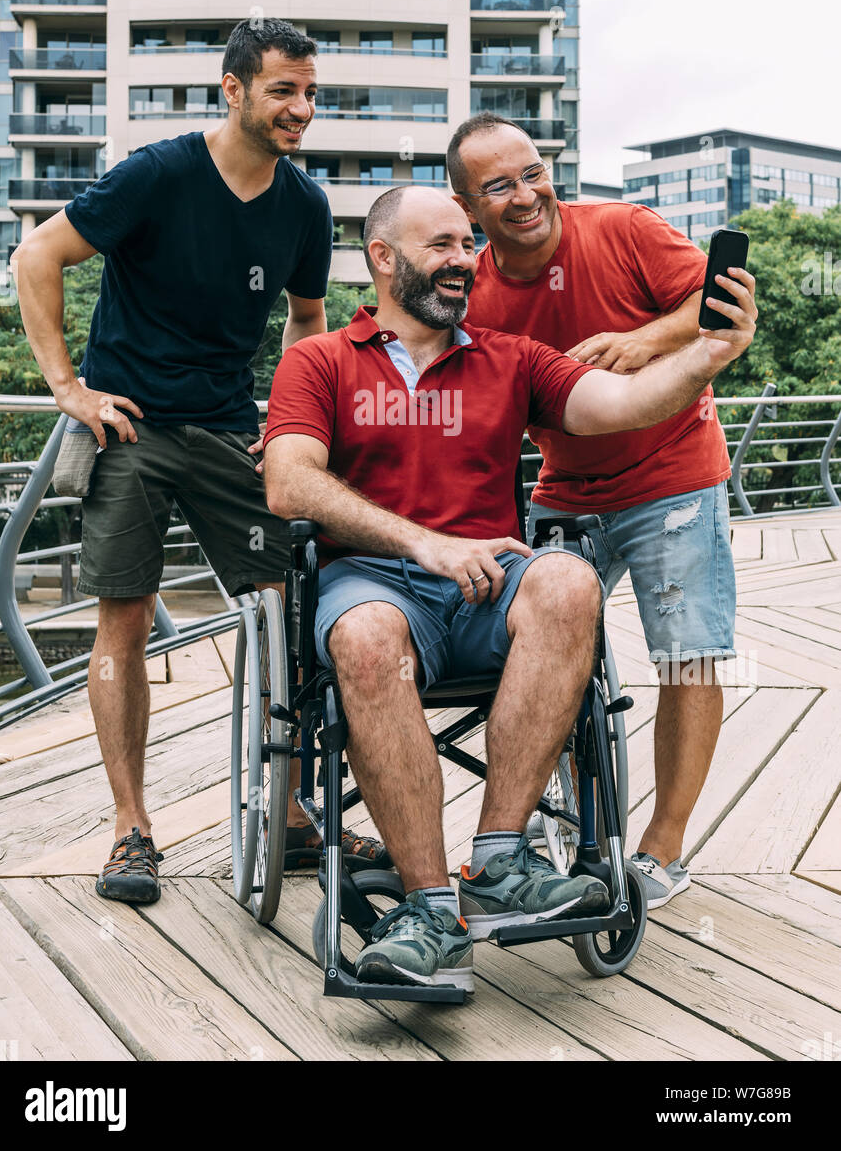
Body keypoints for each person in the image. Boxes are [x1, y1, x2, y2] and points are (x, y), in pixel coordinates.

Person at [262, 185, 756, 990]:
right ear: (382, 258)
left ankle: (498, 860)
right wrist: (424, 542)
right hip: (375, 586)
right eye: (443, 245)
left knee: (566, 579)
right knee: (363, 635)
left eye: (468, 245)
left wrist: (710, 352)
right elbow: (289, 484)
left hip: (487, 586)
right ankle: (426, 907)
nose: (465, 260)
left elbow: (622, 401)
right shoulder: (318, 361)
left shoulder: (509, 356)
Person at [11, 18, 388, 905]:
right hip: (130, 430)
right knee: (125, 622)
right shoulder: (159, 173)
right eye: (283, 91)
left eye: (310, 92)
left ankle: (292, 817)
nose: (302, 108)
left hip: (230, 431)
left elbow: (306, 321)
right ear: (233, 90)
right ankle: (132, 831)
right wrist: (70, 388)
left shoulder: (302, 205)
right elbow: (38, 255)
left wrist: (294, 413)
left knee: (286, 613)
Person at [449, 111, 745, 909]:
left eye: (532, 172)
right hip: (562, 491)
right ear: (467, 203)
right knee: (539, 653)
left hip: (675, 472)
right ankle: (569, 831)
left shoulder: (623, 228)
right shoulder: (468, 292)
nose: (524, 195)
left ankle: (664, 848)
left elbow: (716, 305)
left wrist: (647, 339)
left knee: (688, 655)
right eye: (498, 185)